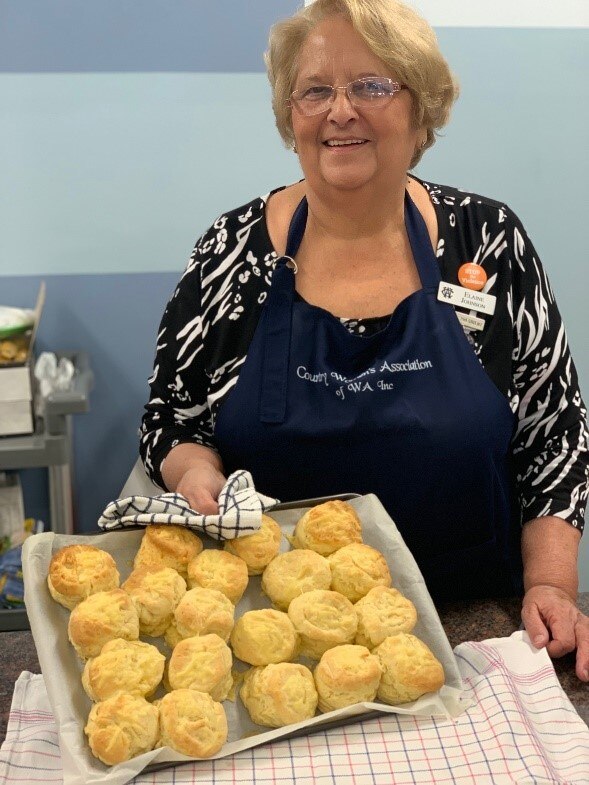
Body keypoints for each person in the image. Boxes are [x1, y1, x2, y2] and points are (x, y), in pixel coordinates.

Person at [139, 0, 589, 679]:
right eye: (315, 90)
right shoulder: (231, 252)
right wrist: (193, 470)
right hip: (278, 644)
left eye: (370, 85)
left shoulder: (487, 241)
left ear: (421, 107)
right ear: (290, 116)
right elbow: (170, 417)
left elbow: (553, 435)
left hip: (475, 629)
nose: (339, 110)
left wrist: (551, 584)